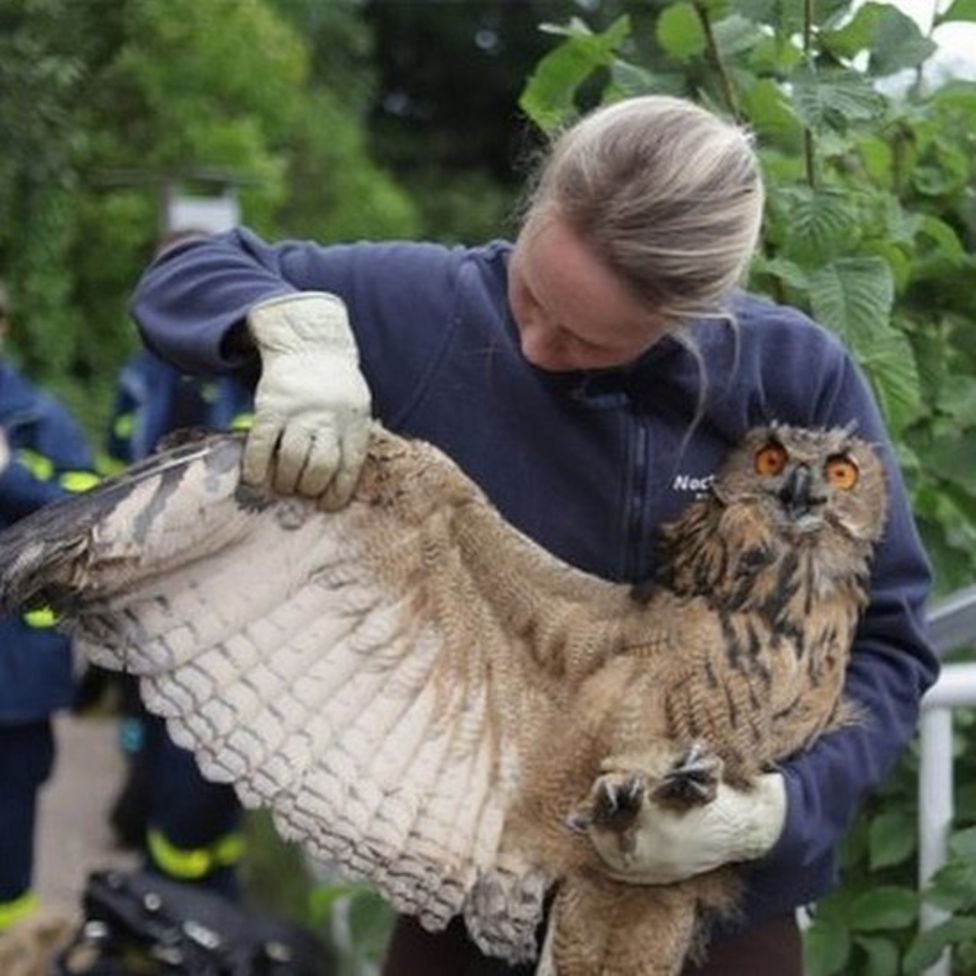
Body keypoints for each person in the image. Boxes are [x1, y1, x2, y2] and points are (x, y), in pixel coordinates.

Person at [128, 95, 937, 976]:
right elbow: (192, 271)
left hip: (720, 901)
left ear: (690, 315)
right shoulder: (437, 313)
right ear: (538, 204)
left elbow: (889, 643)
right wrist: (292, 333)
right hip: (478, 875)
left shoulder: (792, 373)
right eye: (529, 294)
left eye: (587, 340)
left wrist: (779, 813)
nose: (536, 342)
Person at [101, 345, 254, 897]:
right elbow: (116, 468)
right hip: (146, 602)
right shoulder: (147, 374)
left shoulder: (257, 381)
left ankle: (190, 893)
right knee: (150, 743)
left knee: (199, 779)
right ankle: (163, 873)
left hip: (223, 620)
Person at [0, 282, 99, 970]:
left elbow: (88, 518)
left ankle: (12, 945)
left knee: (8, 822)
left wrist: (10, 475)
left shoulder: (40, 419)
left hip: (15, 680)